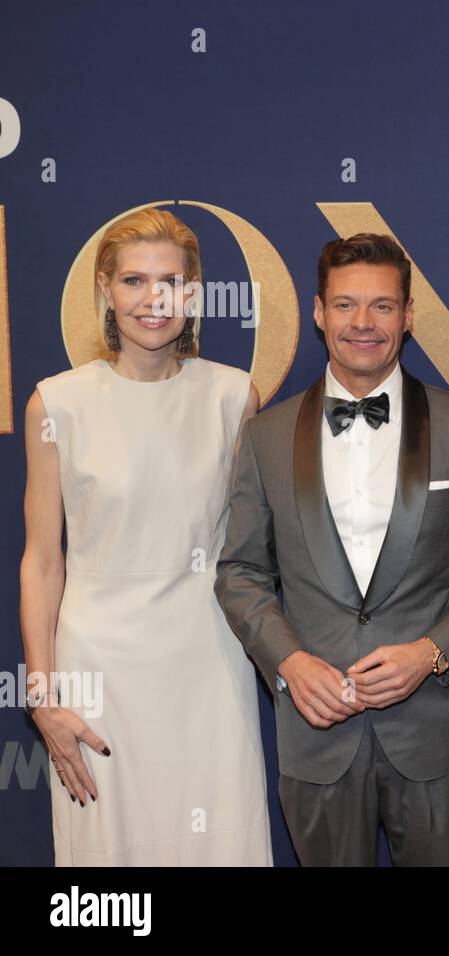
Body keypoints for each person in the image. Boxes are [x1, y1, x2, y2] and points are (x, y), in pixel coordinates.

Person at [215, 233, 449, 866]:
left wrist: (431, 653)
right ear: (318, 311)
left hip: (433, 733)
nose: (363, 323)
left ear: (409, 316)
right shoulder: (265, 437)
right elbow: (240, 572)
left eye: (382, 306)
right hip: (315, 729)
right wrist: (290, 663)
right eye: (347, 305)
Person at [19, 207, 273, 864]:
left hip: (209, 668)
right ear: (104, 289)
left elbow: (255, 555)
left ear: (194, 292)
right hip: (98, 677)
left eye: (171, 282)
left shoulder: (234, 397)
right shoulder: (56, 404)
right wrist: (42, 699)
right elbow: (43, 563)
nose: (153, 300)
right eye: (134, 281)